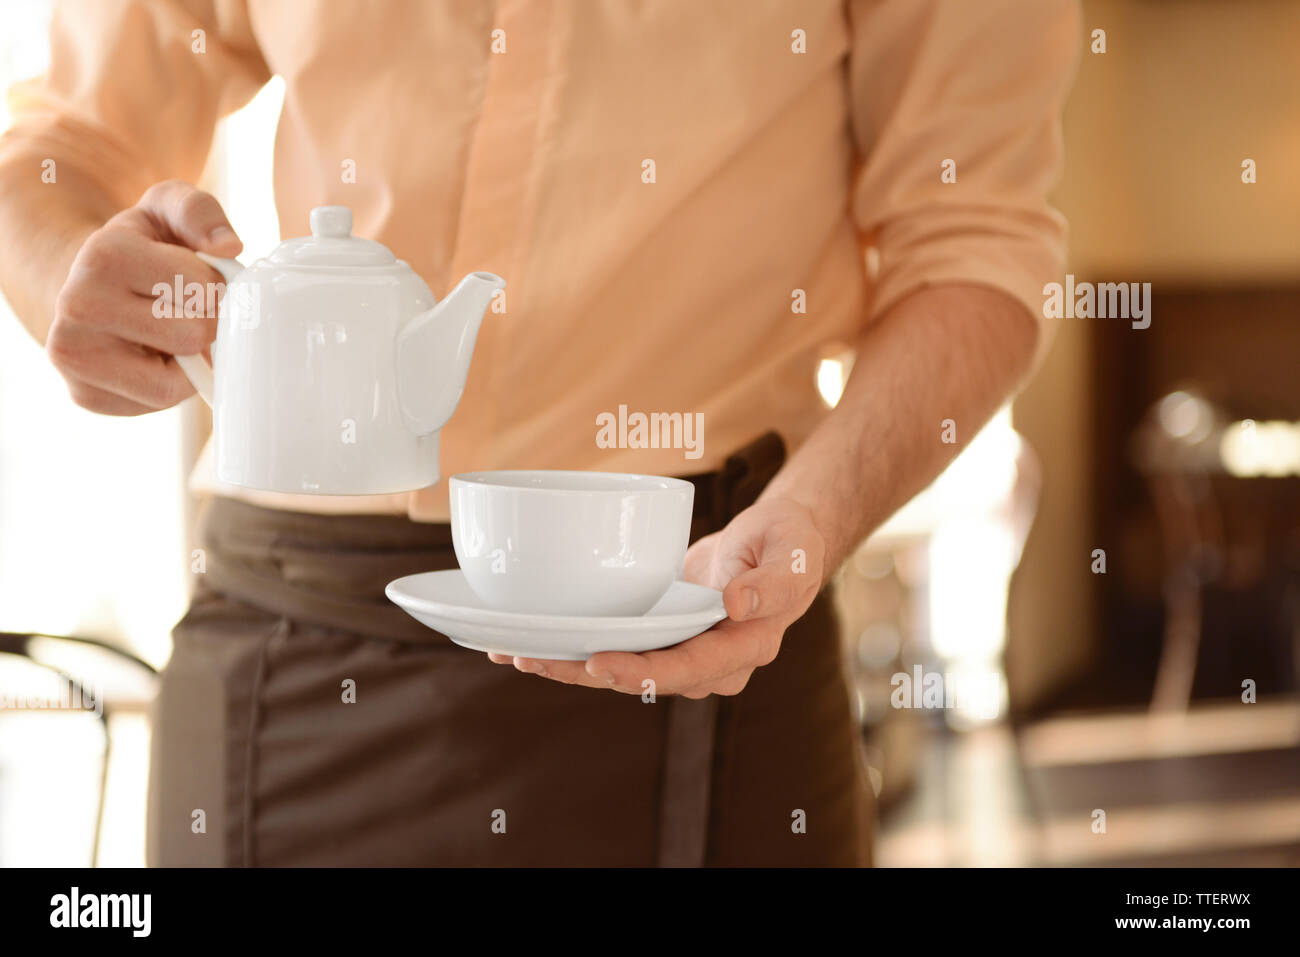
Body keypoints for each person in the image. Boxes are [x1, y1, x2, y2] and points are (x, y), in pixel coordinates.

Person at [0, 0, 1078, 866]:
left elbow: (970, 251)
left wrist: (811, 520)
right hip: (290, 636)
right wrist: (63, 276)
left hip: (696, 615)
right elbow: (62, 136)